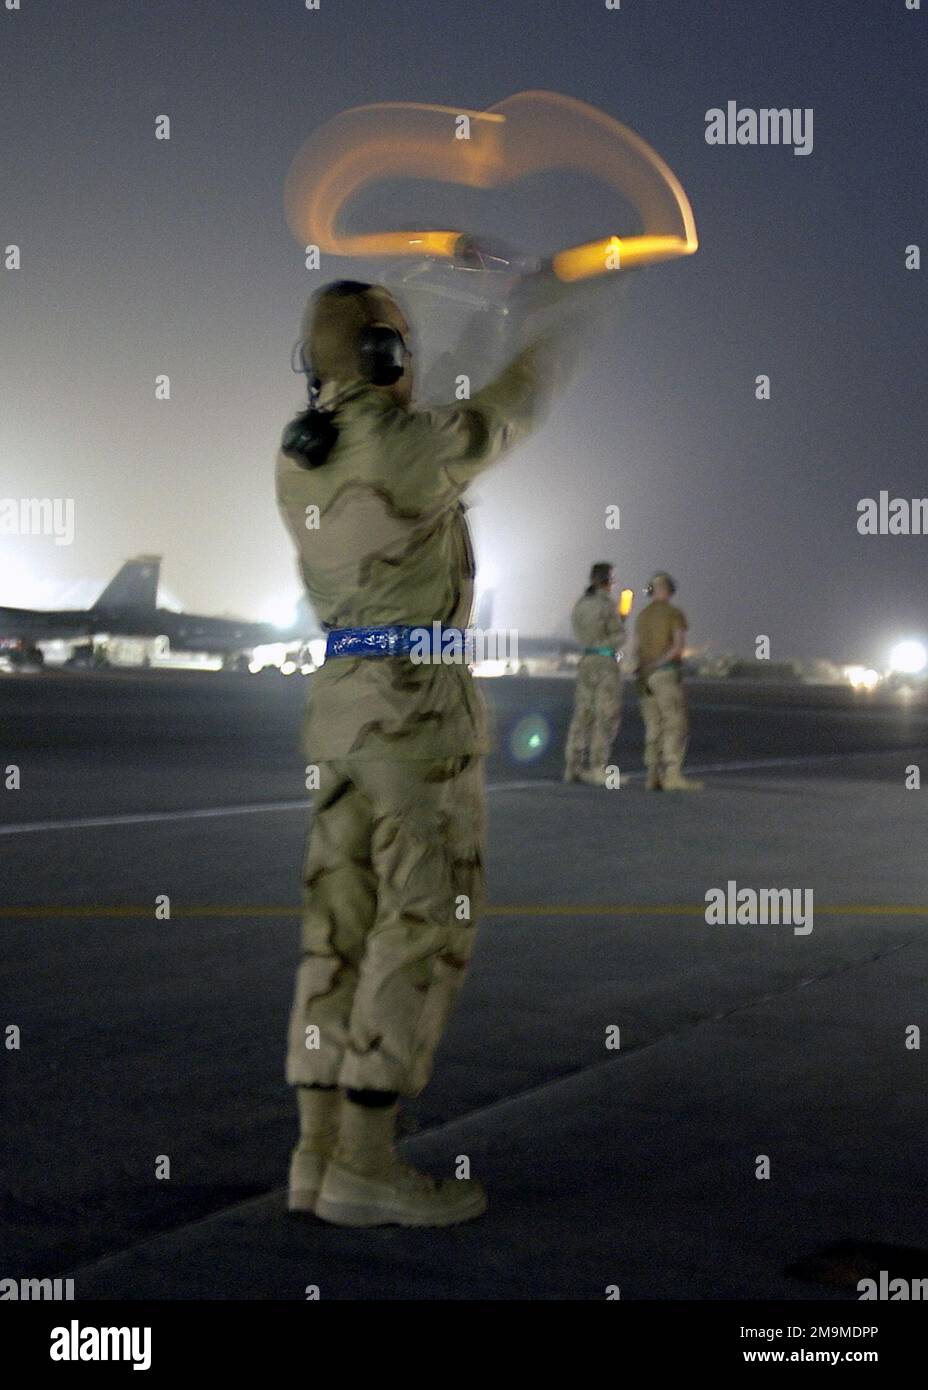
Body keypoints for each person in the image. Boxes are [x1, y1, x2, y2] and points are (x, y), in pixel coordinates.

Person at [275, 278, 574, 1227]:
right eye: (400, 346)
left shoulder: (300, 459)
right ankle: (368, 1166)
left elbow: (418, 418)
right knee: (421, 930)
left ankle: (316, 1158)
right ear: (382, 358)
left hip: (338, 717)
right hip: (415, 721)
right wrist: (549, 322)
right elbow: (505, 412)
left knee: (335, 936)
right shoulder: (410, 446)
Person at [634, 572, 703, 791]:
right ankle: (672, 774)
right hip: (664, 674)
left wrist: (645, 668)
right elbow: (677, 648)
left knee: (653, 726)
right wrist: (659, 663)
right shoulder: (674, 613)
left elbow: (634, 647)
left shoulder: (642, 616)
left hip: (643, 676)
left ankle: (652, 774)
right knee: (675, 724)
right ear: (668, 590)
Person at [563, 562, 624, 785]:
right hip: (605, 662)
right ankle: (598, 767)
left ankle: (573, 766)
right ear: (607, 580)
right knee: (605, 715)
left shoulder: (580, 604)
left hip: (586, 661)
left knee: (582, 714)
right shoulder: (606, 604)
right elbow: (618, 635)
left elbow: (578, 632)